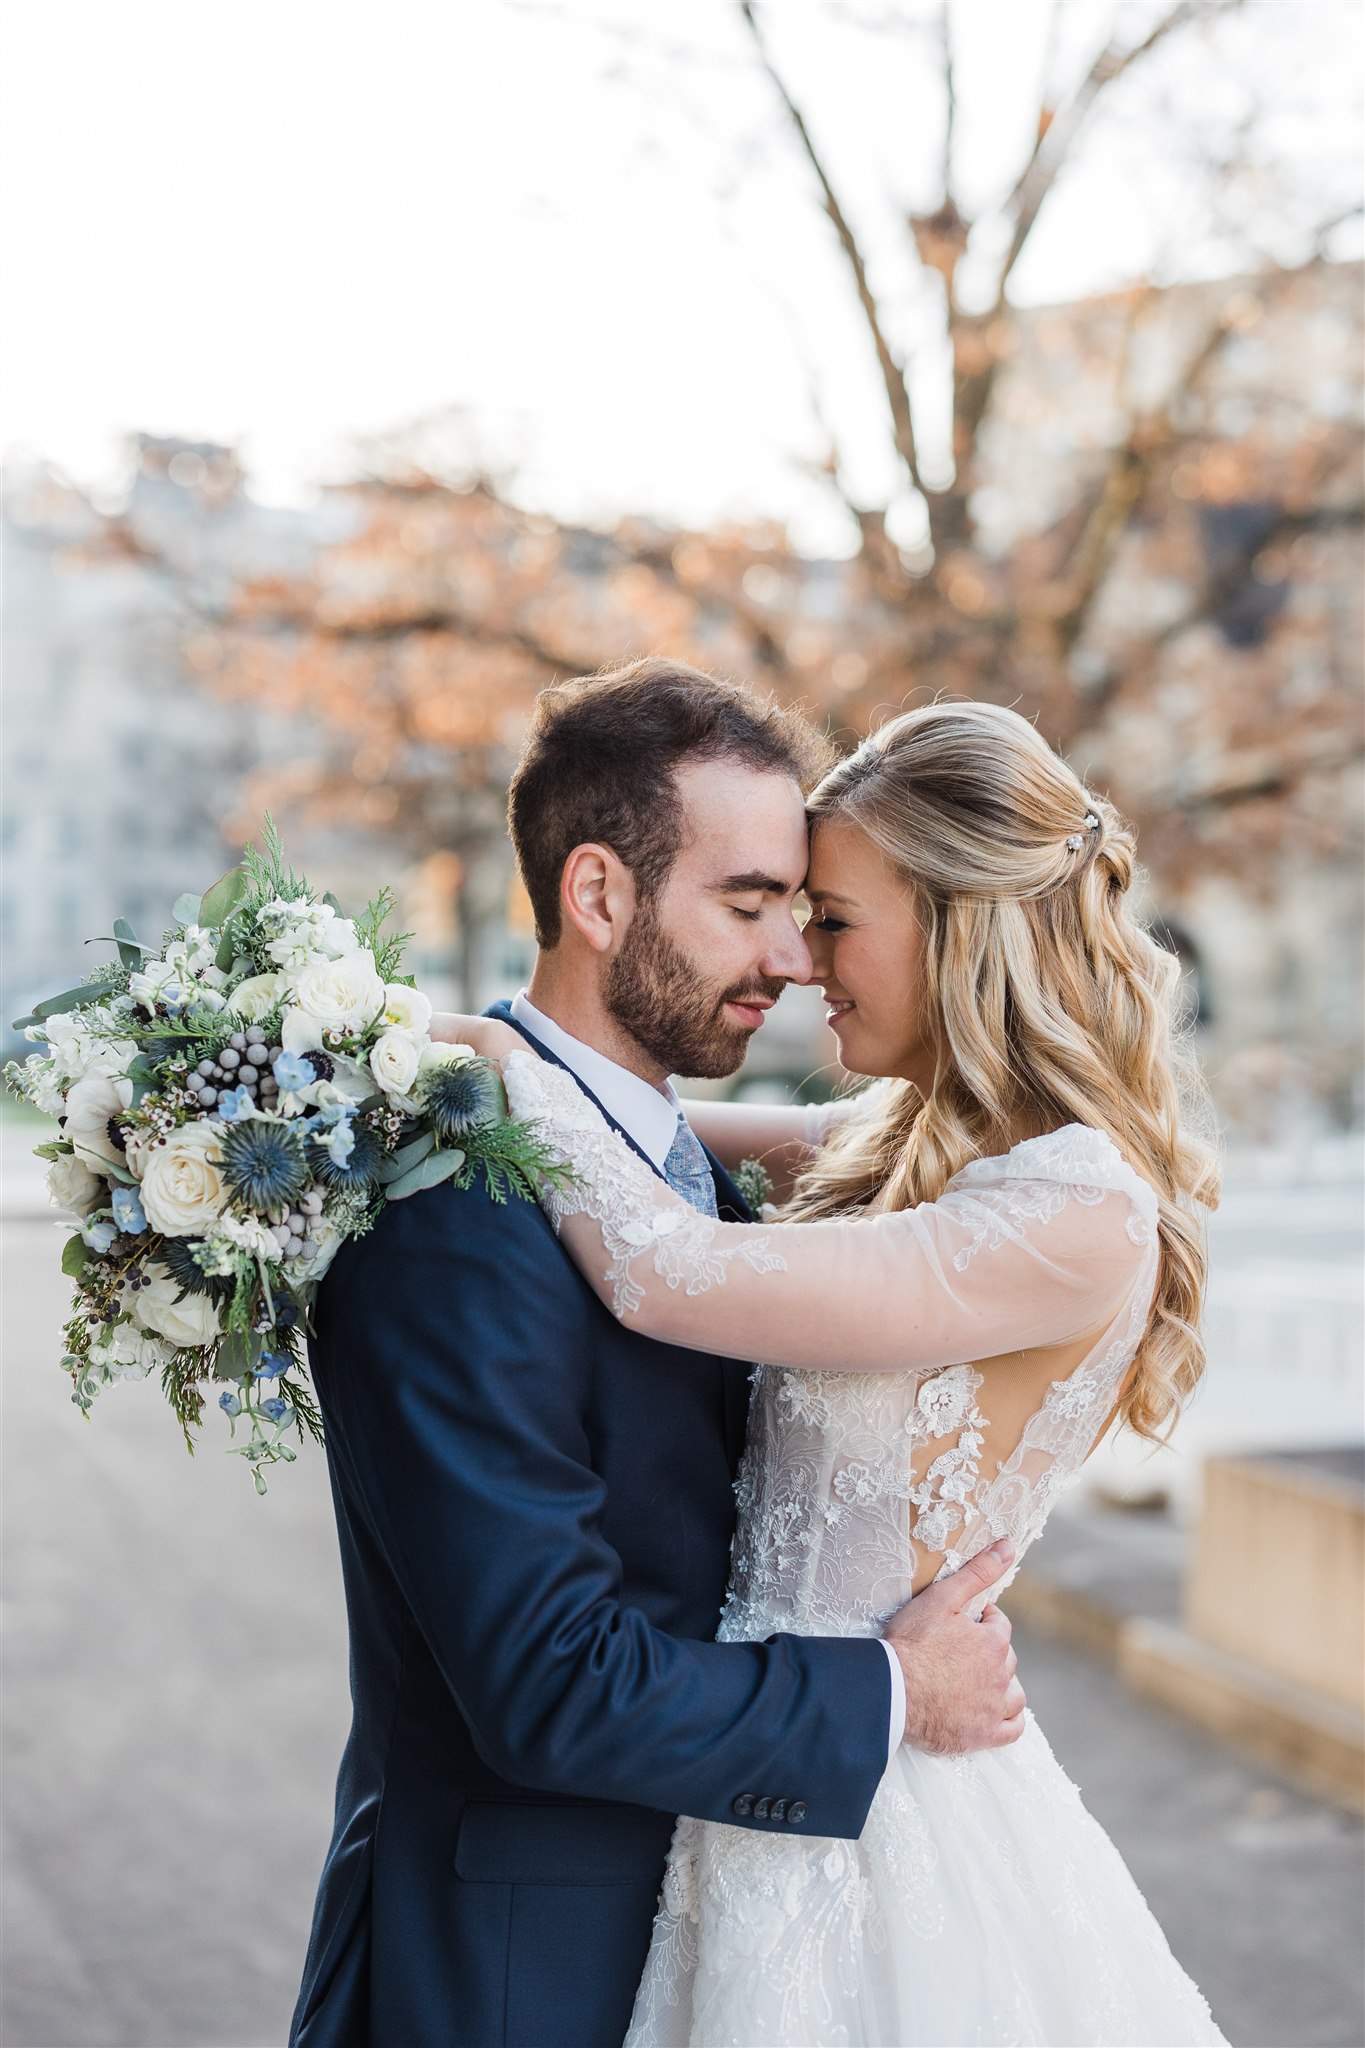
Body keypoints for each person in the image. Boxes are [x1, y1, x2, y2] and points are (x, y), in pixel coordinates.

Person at [449, 696, 1228, 2047]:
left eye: (832, 919)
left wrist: (500, 1058)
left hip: (881, 1823)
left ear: (962, 924)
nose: (803, 964)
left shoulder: (1073, 1212)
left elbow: (662, 1266)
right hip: (761, 1781)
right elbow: (652, 1131)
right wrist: (396, 1045)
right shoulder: (903, 1145)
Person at [289, 661, 1024, 2048]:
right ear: (598, 895)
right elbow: (546, 1677)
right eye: (746, 906)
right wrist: (890, 1690)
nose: (792, 961)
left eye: (801, 914)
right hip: (513, 1974)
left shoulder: (670, 1165)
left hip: (700, 1938)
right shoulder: (456, 1209)